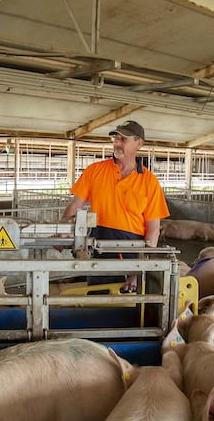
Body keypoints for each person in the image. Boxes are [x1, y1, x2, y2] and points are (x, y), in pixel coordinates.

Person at [62, 120, 170, 293]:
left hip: (132, 252)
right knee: (98, 295)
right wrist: (63, 229)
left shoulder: (149, 182)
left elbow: (153, 229)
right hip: (99, 246)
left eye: (124, 139)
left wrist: (139, 270)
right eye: (116, 138)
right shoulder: (95, 171)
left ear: (138, 144)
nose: (117, 143)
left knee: (129, 306)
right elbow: (75, 205)